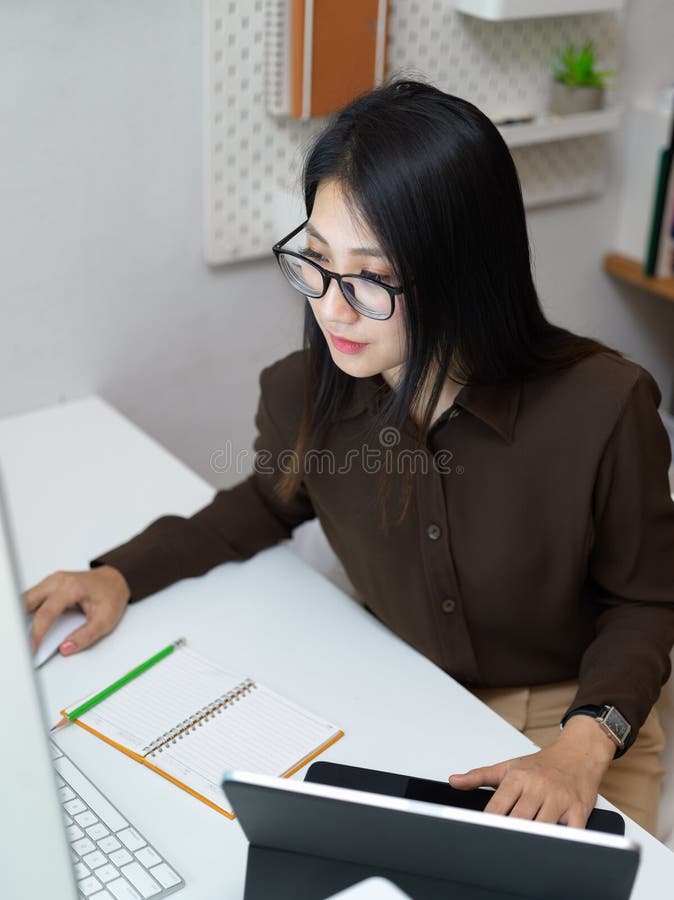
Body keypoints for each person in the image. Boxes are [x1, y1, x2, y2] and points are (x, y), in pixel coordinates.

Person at [25, 80, 674, 835]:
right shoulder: (303, 392)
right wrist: (118, 572)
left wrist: (586, 742)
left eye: (370, 277)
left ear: (464, 272)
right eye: (318, 260)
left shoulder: (603, 406)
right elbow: (266, 502)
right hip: (401, 691)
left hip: (571, 719)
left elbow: (647, 598)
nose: (330, 306)